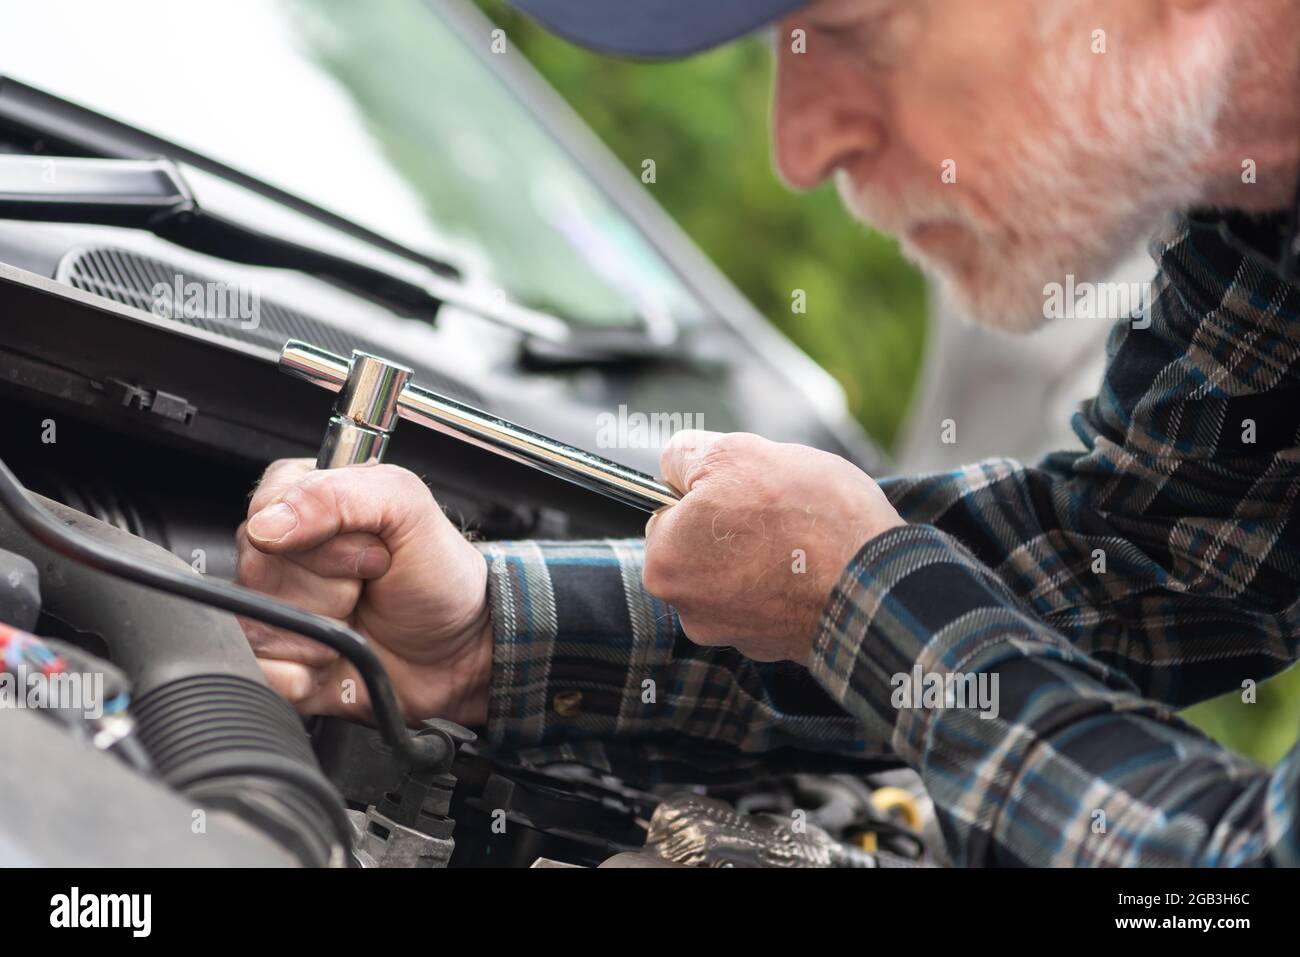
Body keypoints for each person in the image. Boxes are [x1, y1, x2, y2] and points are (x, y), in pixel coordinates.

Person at [235, 0, 1300, 865]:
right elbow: (1143, 564)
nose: (799, 147)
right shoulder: (1261, 218)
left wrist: (851, 591)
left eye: (852, 30)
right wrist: (488, 635)